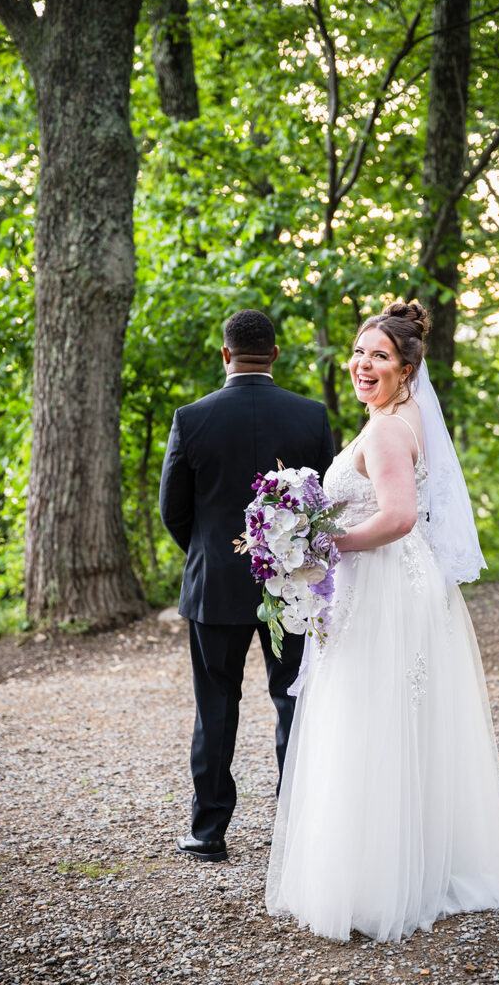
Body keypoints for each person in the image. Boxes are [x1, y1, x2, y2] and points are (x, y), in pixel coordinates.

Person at [266, 301, 499, 941]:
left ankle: (376, 882)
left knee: (369, 720)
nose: (363, 364)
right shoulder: (401, 419)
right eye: (360, 353)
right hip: (398, 581)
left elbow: (399, 516)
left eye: (379, 356)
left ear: (407, 368)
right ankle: (417, 866)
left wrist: (326, 546)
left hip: (384, 582)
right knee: (399, 723)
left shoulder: (386, 430)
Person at [159, 309, 335, 863]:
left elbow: (173, 510)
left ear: (225, 353)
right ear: (276, 355)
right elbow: (325, 507)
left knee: (215, 705)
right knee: (294, 700)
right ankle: (297, 829)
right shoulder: (311, 416)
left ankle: (208, 833)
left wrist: (213, 555)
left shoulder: (192, 418)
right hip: (293, 587)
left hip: (214, 589)